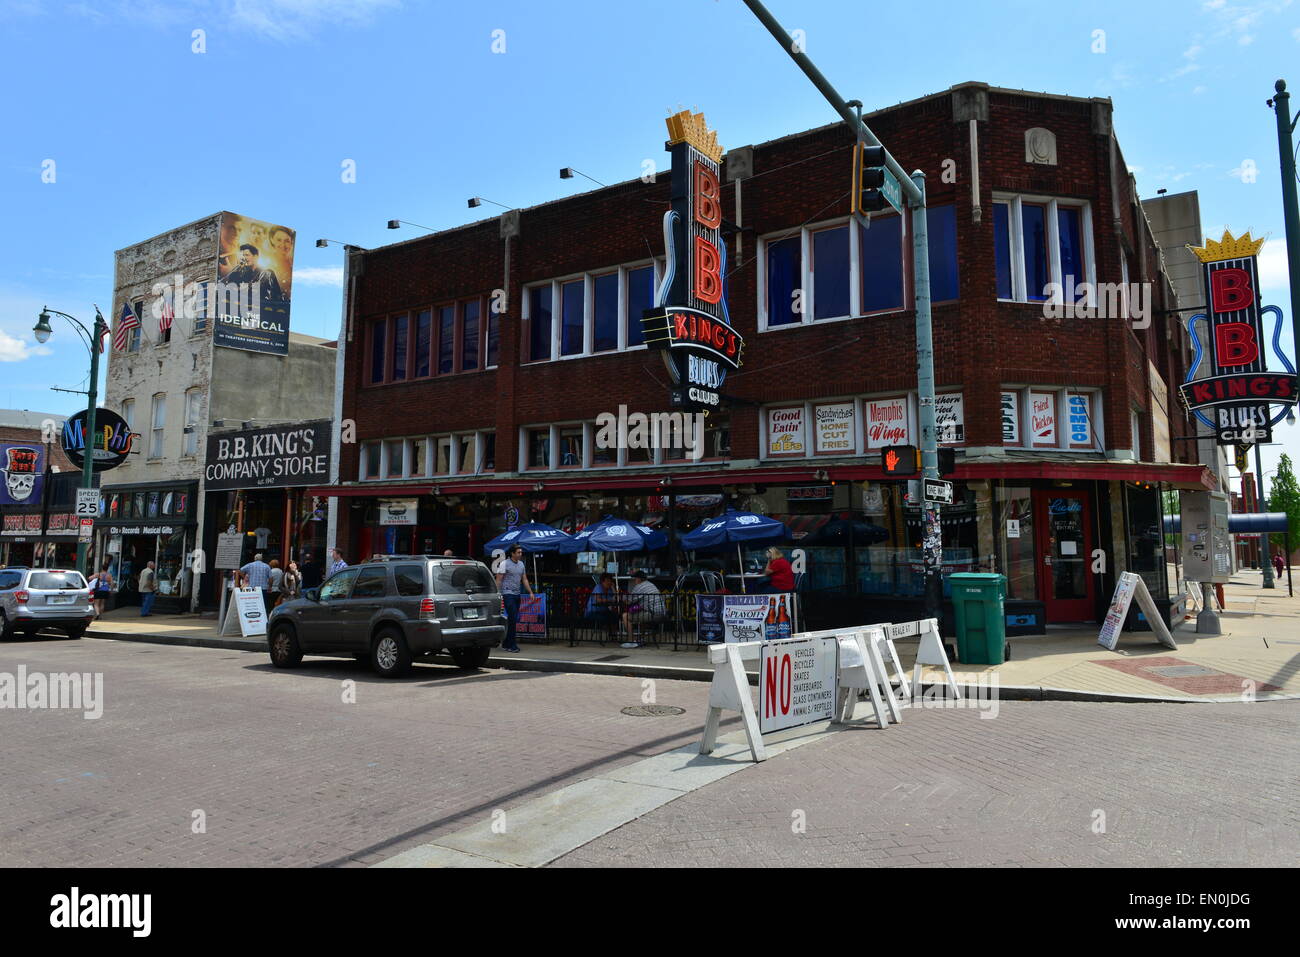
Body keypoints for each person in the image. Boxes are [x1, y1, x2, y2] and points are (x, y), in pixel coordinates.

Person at [495, 545, 533, 653]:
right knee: (512, 618)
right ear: (512, 553)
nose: (520, 554)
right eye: (518, 552)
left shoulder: (521, 564)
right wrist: (498, 593)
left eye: (521, 552)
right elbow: (499, 579)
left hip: (517, 594)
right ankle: (512, 644)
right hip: (507, 593)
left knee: (513, 619)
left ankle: (506, 643)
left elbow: (524, 579)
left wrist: (530, 592)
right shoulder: (504, 563)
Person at [621, 571, 665, 648]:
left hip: (652, 614)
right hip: (662, 614)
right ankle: (641, 639)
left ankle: (631, 641)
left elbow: (629, 601)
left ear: (639, 579)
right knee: (642, 615)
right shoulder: (651, 584)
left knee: (625, 616)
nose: (634, 580)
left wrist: (622, 597)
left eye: (635, 579)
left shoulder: (639, 586)